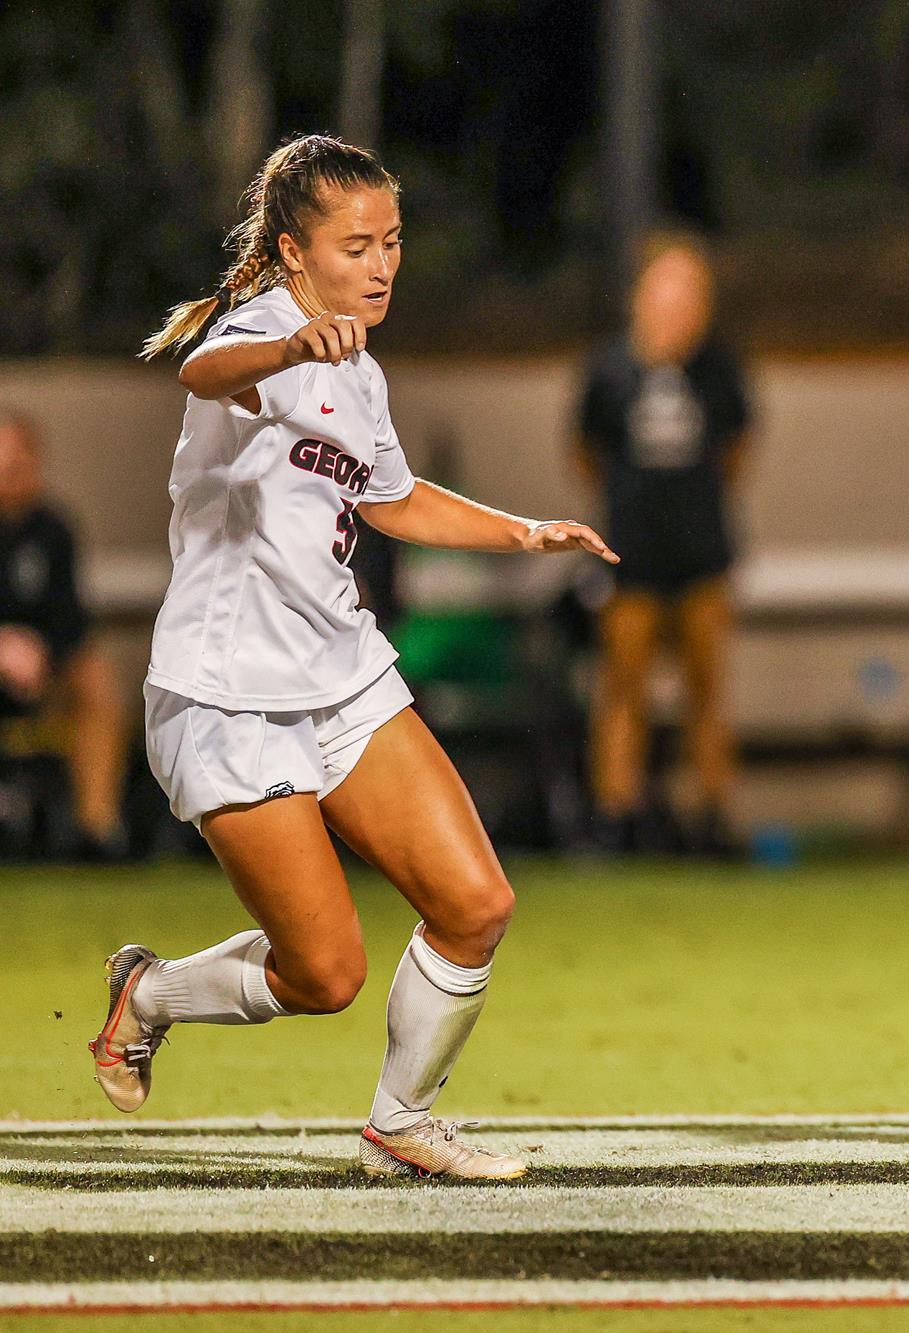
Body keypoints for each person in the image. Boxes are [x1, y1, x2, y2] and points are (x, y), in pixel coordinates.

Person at [98, 135, 617, 1180]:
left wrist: (523, 530)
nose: (381, 265)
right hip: (226, 697)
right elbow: (204, 369)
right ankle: (148, 993)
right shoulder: (259, 334)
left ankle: (401, 1123)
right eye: (355, 245)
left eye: (392, 242)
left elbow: (395, 500)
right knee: (323, 971)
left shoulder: (360, 373)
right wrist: (290, 349)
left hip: (342, 677)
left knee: (475, 905)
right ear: (293, 253)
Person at [576, 234, 752, 856]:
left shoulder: (720, 368)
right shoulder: (610, 369)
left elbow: (736, 448)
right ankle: (616, 818)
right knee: (623, 687)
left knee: (708, 688)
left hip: (702, 554)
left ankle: (711, 819)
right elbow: (587, 450)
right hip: (631, 556)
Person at [0, 412, 132, 857]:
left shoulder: (54, 529)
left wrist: (43, 654)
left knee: (95, 678)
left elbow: (71, 619)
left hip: (41, 677)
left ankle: (95, 832)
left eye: (14, 465)